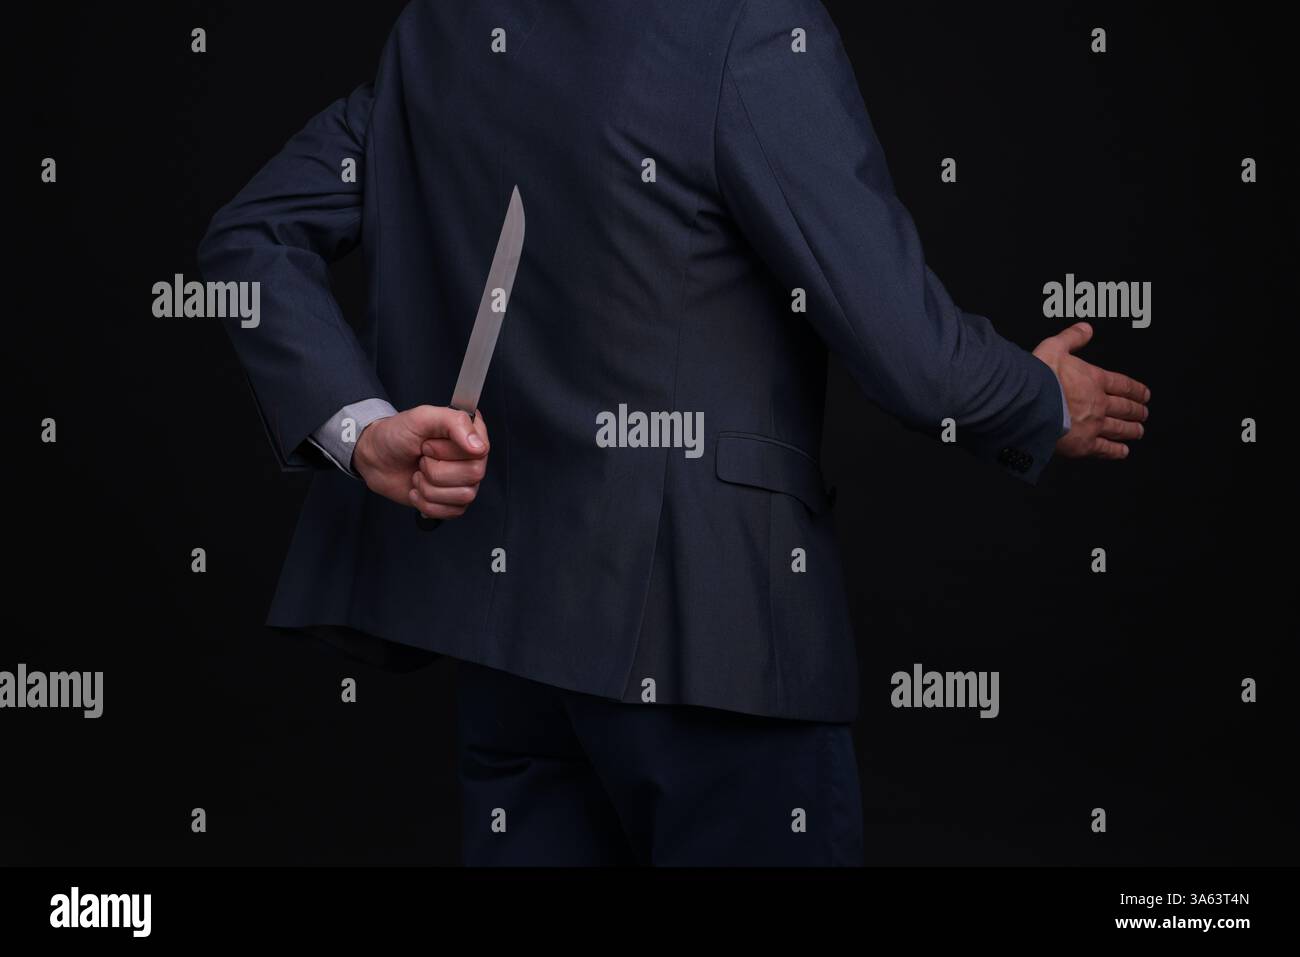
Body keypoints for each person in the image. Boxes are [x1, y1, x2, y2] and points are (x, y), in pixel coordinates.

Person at [198, 0, 1150, 866]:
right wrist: (1040, 398)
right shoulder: (747, 29)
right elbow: (909, 354)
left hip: (506, 648)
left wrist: (361, 432)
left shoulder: (443, 31)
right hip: (710, 633)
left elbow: (249, 237)